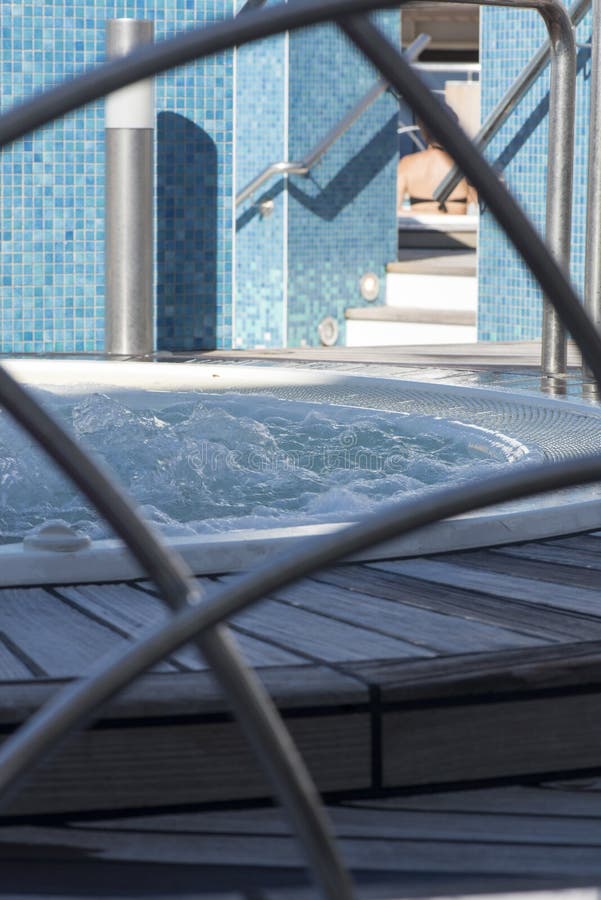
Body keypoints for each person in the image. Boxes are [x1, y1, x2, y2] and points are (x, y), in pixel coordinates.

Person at [397, 115, 477, 216]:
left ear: (423, 133)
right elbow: (480, 207)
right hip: (458, 229)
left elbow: (393, 210)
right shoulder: (464, 165)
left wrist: (429, 215)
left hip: (421, 230)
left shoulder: (408, 164)